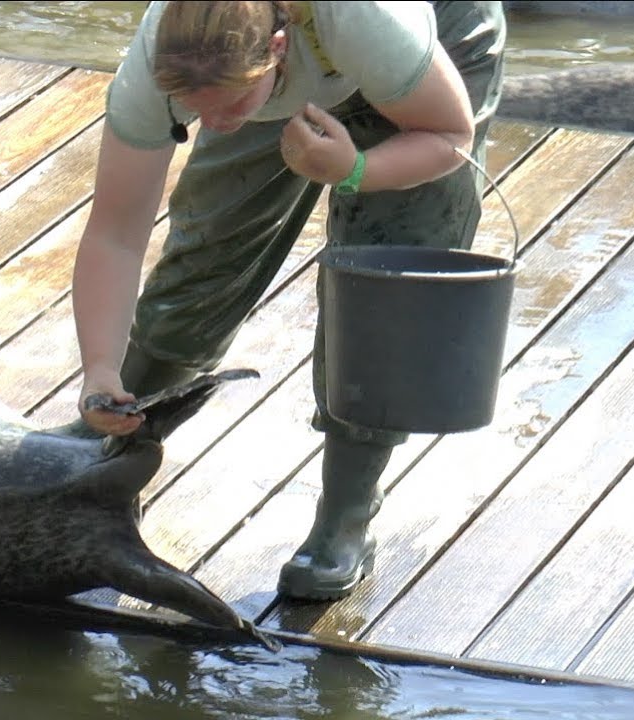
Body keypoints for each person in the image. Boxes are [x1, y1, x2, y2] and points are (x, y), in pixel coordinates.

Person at [64, 1, 507, 601]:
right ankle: (109, 444)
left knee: (389, 277)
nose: (213, 123)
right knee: (206, 252)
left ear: (275, 51)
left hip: (429, 53)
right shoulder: (166, 52)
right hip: (272, 68)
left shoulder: (364, 22)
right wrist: (99, 369)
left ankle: (344, 518)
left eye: (227, 108)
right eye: (195, 111)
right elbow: (115, 233)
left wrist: (354, 171)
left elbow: (450, 136)